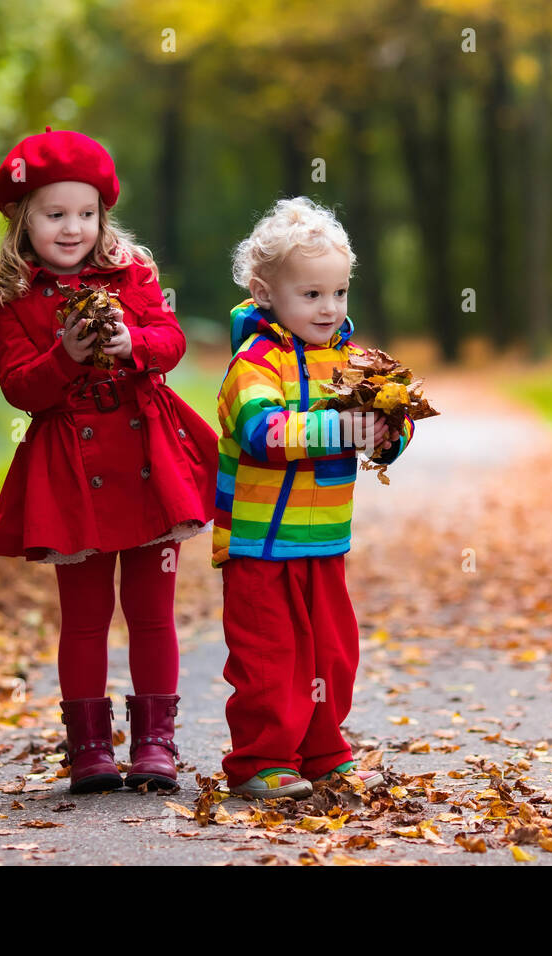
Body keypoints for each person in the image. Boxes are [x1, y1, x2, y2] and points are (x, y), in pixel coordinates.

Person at [0, 127, 217, 794]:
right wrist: (68, 356)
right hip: (70, 471)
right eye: (55, 214)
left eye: (86, 214)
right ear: (24, 219)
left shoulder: (131, 272)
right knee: (83, 616)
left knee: (151, 609)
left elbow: (170, 343)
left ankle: (155, 744)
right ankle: (88, 747)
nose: (73, 228)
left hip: (147, 456)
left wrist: (130, 340)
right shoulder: (11, 297)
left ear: (103, 216)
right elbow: (19, 386)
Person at [213, 196, 414, 799]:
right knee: (271, 659)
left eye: (339, 293)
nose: (329, 308)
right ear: (266, 292)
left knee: (332, 655)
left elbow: (387, 425)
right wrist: (341, 430)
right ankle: (262, 759)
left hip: (324, 540)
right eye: (311, 295)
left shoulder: (354, 364)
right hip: (259, 543)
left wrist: (386, 436)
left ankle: (324, 750)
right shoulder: (253, 365)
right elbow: (263, 432)